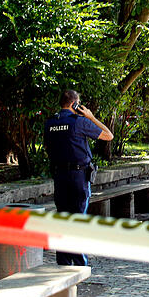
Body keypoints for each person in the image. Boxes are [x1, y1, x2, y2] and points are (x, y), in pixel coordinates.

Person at [44, 89, 113, 265]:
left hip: (59, 175)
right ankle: (80, 263)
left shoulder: (50, 122)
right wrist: (90, 117)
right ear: (75, 104)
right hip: (78, 176)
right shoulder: (79, 122)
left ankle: (64, 261)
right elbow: (108, 135)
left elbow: (48, 147)